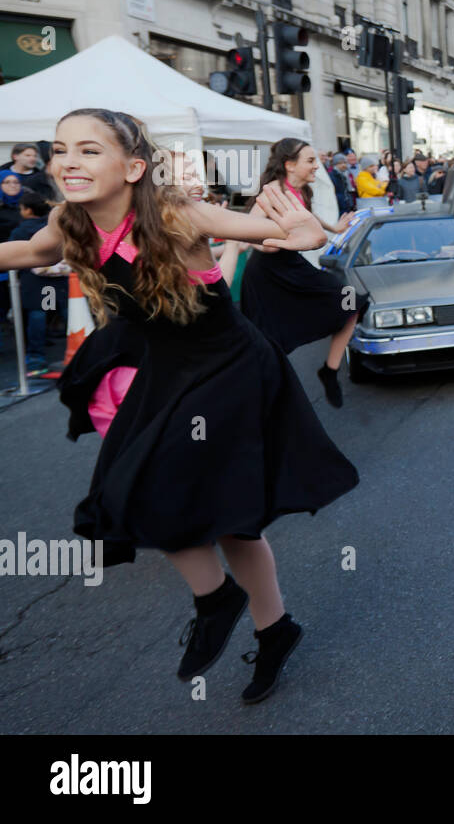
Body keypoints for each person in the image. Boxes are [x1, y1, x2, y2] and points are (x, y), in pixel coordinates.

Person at [0, 108, 358, 702]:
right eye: (61, 149)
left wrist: (303, 229)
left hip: (228, 367)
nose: (68, 160)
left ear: (134, 167)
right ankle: (267, 625)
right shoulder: (70, 221)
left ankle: (230, 606)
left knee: (175, 496)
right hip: (166, 369)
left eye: (89, 150)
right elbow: (28, 255)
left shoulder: (177, 214)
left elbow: (295, 237)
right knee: (169, 504)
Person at [230, 139, 364, 407]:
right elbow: (247, 229)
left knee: (352, 302)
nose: (317, 165)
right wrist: (264, 244)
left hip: (292, 264)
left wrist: (334, 229)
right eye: (311, 161)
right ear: (290, 165)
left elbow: (306, 217)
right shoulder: (274, 192)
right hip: (267, 274)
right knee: (265, 347)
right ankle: (255, 404)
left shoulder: (301, 191)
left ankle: (330, 370)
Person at [10, 191, 60, 375]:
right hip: (57, 280)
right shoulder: (50, 227)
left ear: (27, 210)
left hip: (35, 281)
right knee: (51, 310)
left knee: (37, 315)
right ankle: (49, 340)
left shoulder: (21, 230)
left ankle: (36, 357)